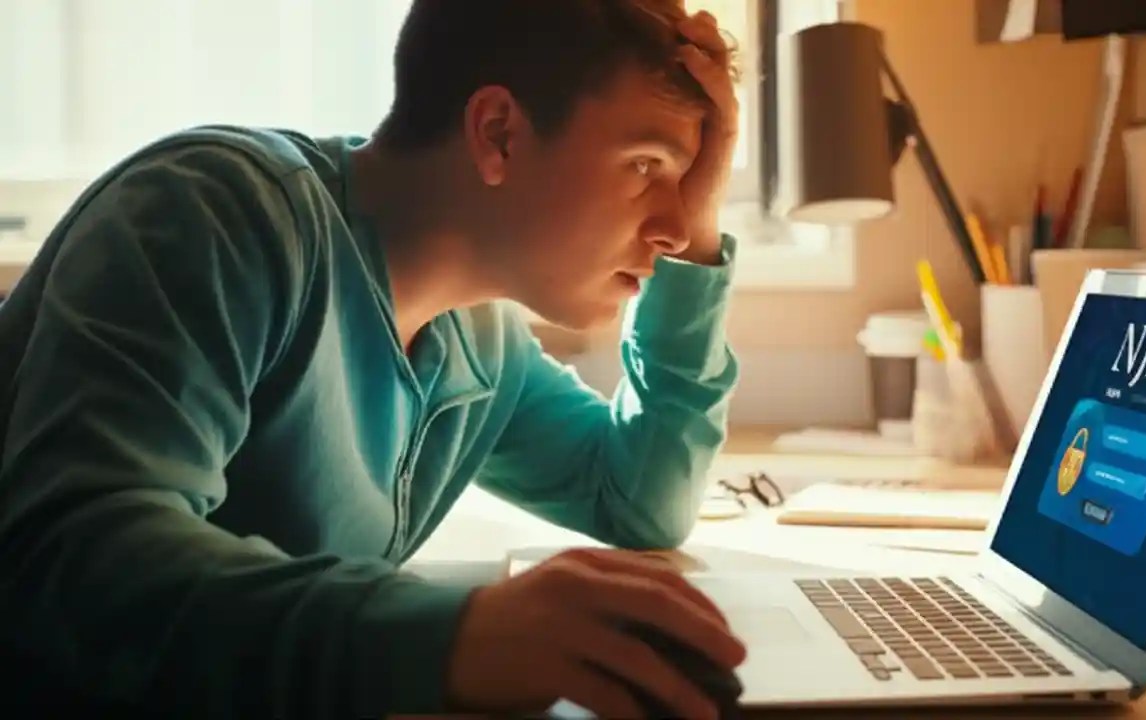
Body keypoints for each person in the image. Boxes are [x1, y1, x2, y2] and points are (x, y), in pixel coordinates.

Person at [0, 0, 751, 717]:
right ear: (498, 134)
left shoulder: (479, 341)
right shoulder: (218, 216)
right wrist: (454, 636)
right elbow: (82, 558)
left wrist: (706, 231)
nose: (674, 229)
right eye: (648, 166)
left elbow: (640, 500)